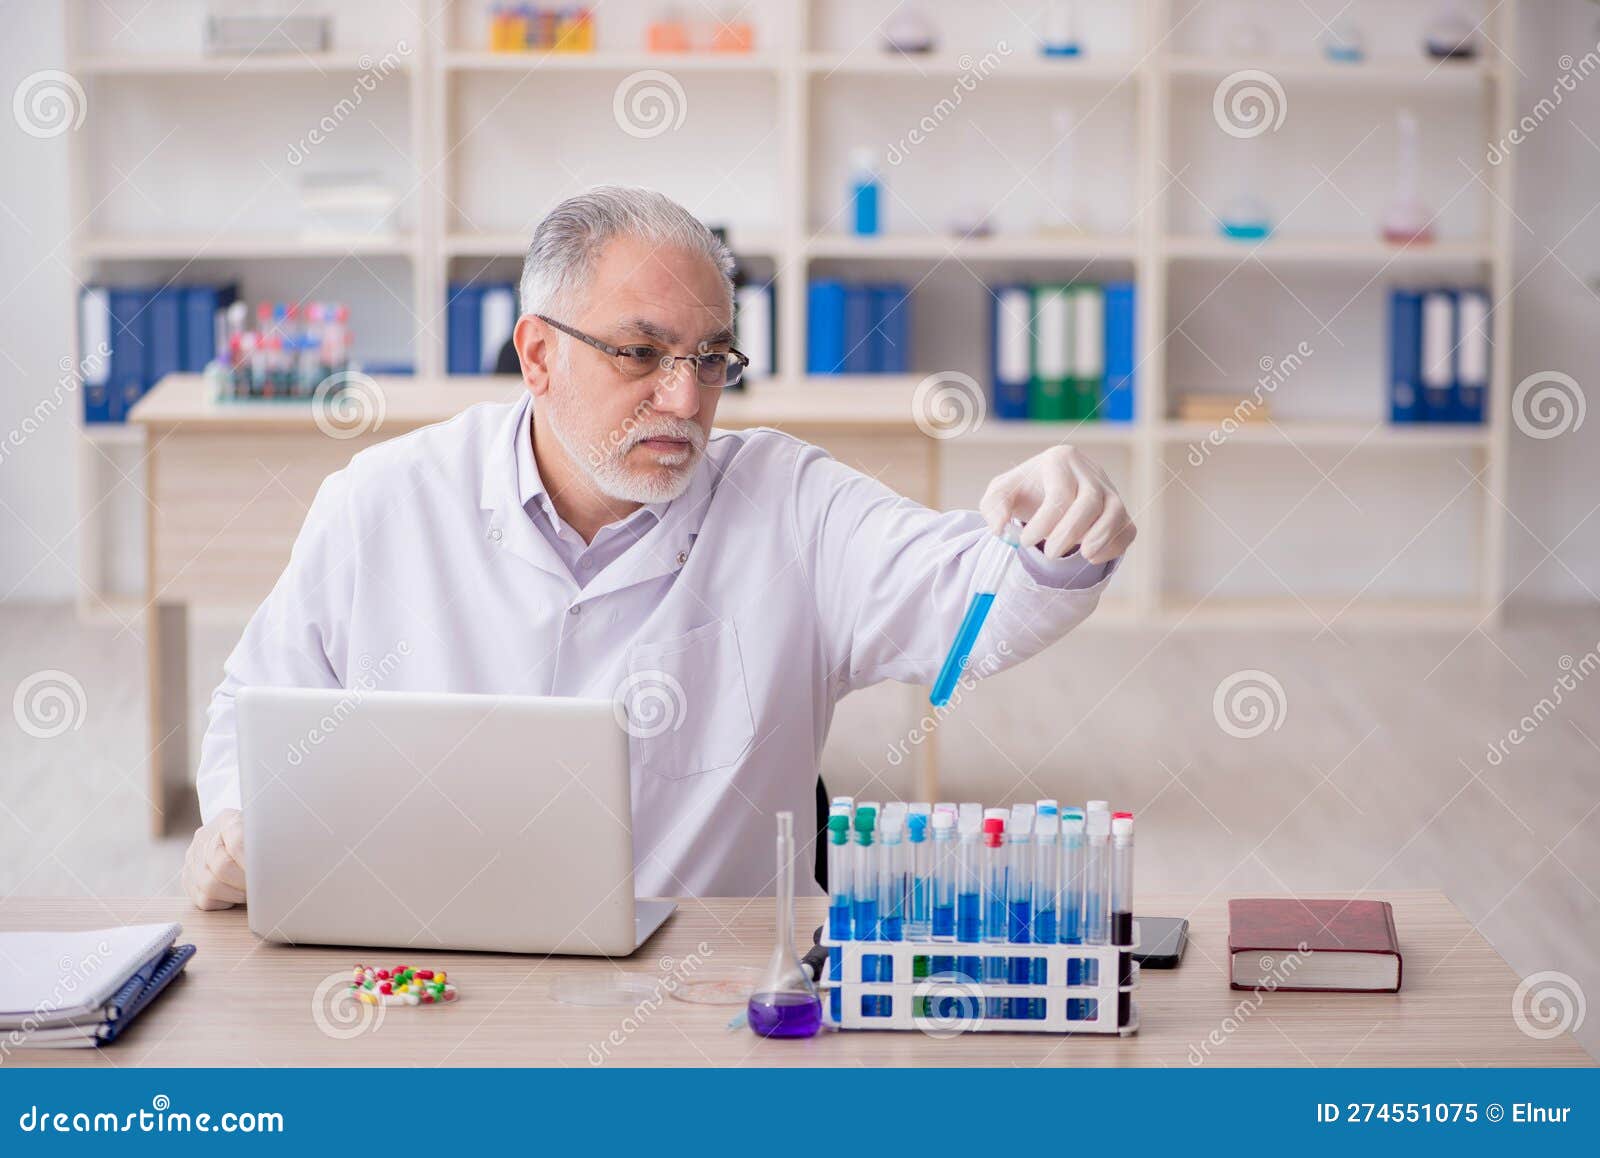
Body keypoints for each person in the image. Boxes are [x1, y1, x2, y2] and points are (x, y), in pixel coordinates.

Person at [182, 186, 1135, 910]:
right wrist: (235, 824)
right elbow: (255, 709)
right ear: (537, 354)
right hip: (446, 962)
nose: (685, 400)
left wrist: (1058, 529)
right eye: (640, 354)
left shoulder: (789, 502)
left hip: (709, 995)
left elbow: (974, 611)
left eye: (711, 358)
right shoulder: (381, 503)